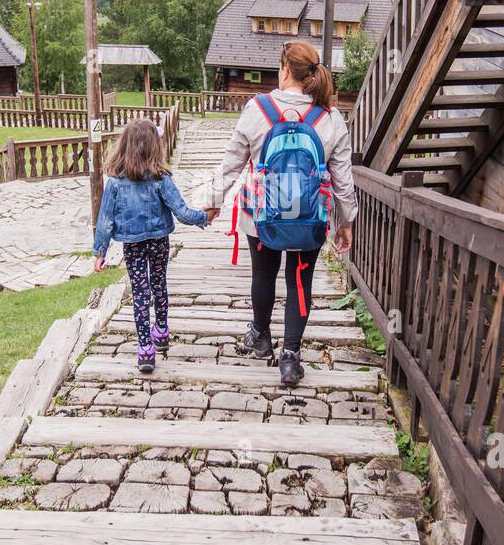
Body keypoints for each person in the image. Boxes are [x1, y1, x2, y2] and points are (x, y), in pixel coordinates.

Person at [202, 40, 356, 386]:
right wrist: (344, 223)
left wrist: (212, 202)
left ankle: (260, 336)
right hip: (310, 220)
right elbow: (344, 181)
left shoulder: (258, 109)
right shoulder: (330, 118)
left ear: (284, 70)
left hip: (261, 217)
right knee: (300, 281)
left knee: (263, 275)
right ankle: (290, 356)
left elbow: (231, 165)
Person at [93, 119, 208, 373]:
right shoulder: (161, 179)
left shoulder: (115, 182)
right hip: (158, 241)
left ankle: (145, 348)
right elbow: (182, 211)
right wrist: (204, 217)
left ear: (125, 147)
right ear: (154, 147)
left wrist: (100, 252)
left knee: (140, 292)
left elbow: (105, 220)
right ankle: (163, 331)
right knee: (159, 283)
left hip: (132, 245)